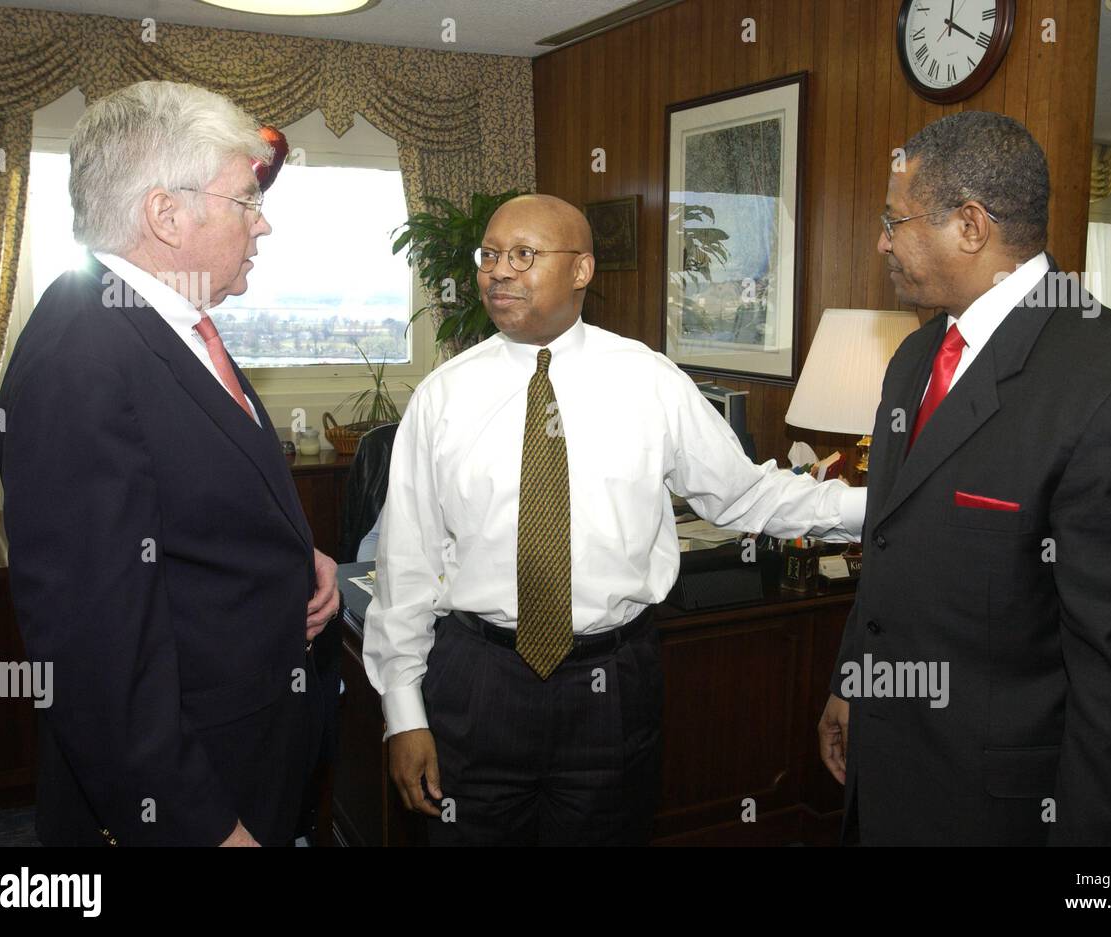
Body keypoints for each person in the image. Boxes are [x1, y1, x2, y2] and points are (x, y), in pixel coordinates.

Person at [363, 193, 867, 845]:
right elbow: (405, 565)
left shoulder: (650, 383)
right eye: (489, 255)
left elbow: (748, 496)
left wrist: (882, 505)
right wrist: (403, 713)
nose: (498, 271)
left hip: (611, 687)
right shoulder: (442, 398)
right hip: (477, 684)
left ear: (581, 270)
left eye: (524, 254)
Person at [817, 111, 1111, 845]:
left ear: (969, 225)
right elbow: (893, 544)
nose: (880, 240)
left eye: (892, 219)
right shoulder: (916, 356)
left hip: (1000, 807)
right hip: (887, 770)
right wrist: (855, 681)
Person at [0, 80, 339, 846]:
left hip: (247, 753)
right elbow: (94, 653)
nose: (264, 223)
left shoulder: (170, 322)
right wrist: (201, 827)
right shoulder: (81, 356)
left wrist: (292, 556)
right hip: (188, 796)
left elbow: (187, 502)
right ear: (166, 213)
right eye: (247, 202)